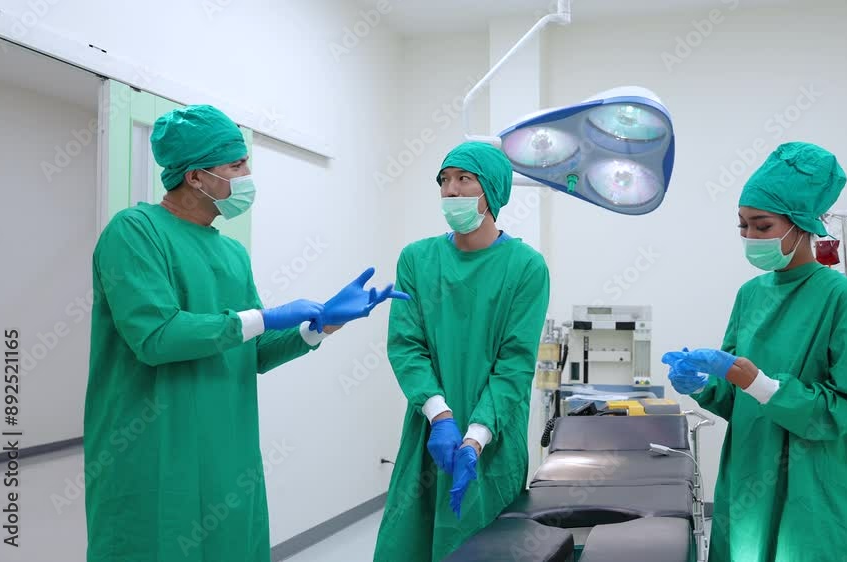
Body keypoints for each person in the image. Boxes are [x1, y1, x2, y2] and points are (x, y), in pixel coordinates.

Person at [83, 104, 408, 562]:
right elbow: (157, 338)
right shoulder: (134, 232)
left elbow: (250, 351)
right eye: (236, 165)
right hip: (154, 449)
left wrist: (321, 325)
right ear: (195, 176)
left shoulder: (232, 252)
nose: (247, 174)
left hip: (227, 452)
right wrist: (264, 317)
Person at [661, 142, 847, 562]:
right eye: (742, 226)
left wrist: (761, 383)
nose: (749, 237)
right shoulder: (750, 295)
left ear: (802, 224)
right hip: (749, 476)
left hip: (815, 486)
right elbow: (737, 400)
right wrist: (704, 384)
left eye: (762, 226)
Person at [373, 142, 550, 561]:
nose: (450, 190)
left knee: (480, 547)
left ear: (490, 190)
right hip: (430, 433)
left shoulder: (526, 267)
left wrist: (474, 438)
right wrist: (440, 416)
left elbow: (514, 366)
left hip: (491, 444)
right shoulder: (417, 259)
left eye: (463, 179)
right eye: (443, 180)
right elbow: (406, 346)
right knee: (409, 544)